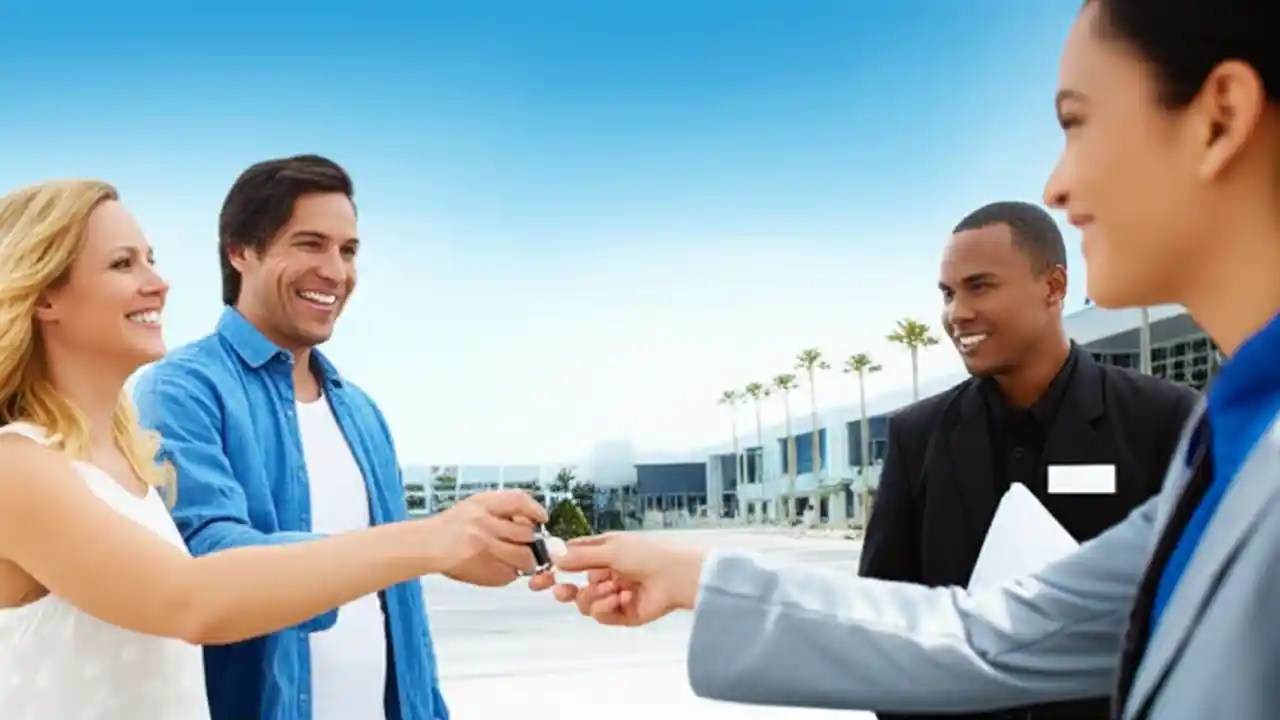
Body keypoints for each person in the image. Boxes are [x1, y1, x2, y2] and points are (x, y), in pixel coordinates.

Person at [536, 1, 1280, 718]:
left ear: (1219, 118)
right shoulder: (1227, 449)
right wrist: (692, 578)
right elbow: (992, 634)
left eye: (1079, 123)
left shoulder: (1197, 432)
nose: (1058, 184)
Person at [0, 179, 546, 720]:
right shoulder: (16, 467)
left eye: (151, 259)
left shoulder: (126, 461)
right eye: (123, 264)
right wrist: (432, 540)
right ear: (44, 293)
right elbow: (191, 598)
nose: (160, 283)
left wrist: (469, 547)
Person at [132, 155, 461, 720]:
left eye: (348, 250)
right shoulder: (181, 390)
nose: (336, 271)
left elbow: (403, 615)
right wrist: (431, 542)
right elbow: (210, 563)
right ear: (241, 251)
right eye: (310, 244)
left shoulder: (361, 411)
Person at [860, 200, 1198, 720]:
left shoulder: (1165, 420)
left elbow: (1202, 612)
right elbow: (885, 624)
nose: (957, 313)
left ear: (1054, 286)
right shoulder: (916, 437)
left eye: (980, 286)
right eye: (948, 294)